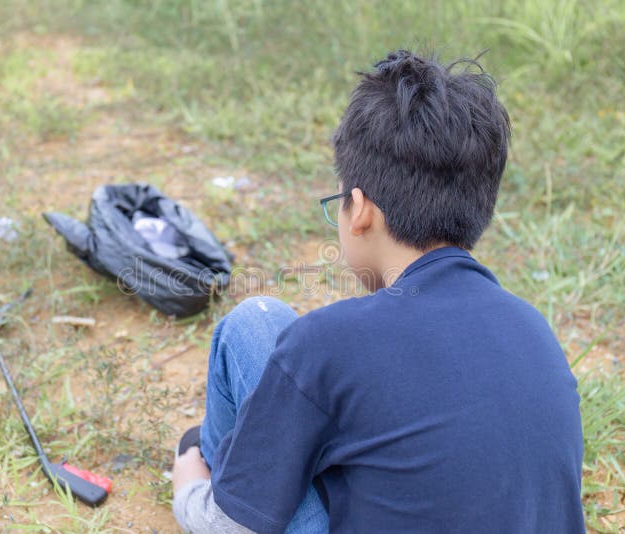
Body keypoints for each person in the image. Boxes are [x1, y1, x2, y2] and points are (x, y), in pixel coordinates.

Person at [170, 49, 585, 533]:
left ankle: (221, 478)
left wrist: (188, 488)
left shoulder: (328, 342)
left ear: (360, 210)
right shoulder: (533, 328)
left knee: (254, 321)